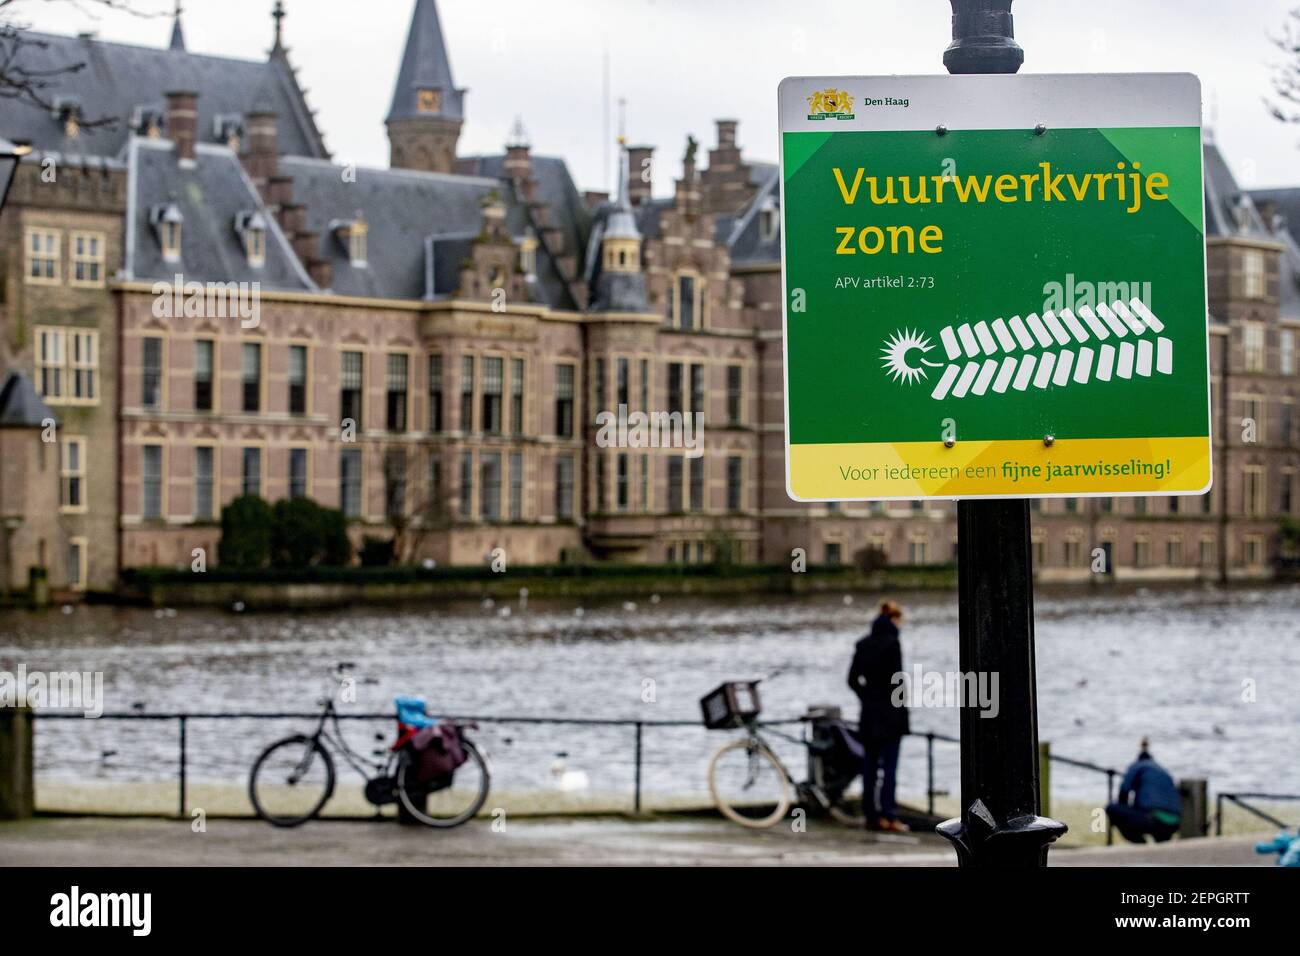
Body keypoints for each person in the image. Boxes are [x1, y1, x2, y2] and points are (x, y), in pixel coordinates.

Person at [847, 600, 910, 832]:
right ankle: (890, 816)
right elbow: (897, 682)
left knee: (870, 767)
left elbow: (852, 680)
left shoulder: (862, 644)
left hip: (869, 715)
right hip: (891, 717)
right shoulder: (892, 644)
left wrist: (868, 697)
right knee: (890, 768)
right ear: (894, 620)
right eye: (900, 621)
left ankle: (871, 817)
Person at [1105, 739, 1182, 843]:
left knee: (1112, 809)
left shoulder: (1137, 766)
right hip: (1175, 822)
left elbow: (1124, 792)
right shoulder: (1164, 771)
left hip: (1153, 819)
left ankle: (1140, 844)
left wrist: (1127, 813)